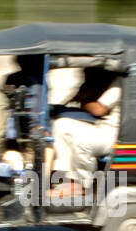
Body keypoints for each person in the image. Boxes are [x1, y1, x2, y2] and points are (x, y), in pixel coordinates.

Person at [48, 68, 121, 198]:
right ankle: (64, 176)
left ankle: (80, 184)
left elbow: (99, 109)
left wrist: (85, 103)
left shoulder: (120, 82)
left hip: (113, 135)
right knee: (61, 125)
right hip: (104, 128)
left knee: (81, 140)